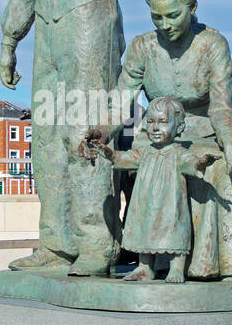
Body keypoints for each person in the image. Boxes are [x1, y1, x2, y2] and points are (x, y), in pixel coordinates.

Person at [0, 0, 169, 276]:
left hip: (91, 27)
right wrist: (10, 39)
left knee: (89, 133)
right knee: (47, 140)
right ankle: (56, 244)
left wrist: (176, 11)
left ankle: (98, 243)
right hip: (48, 37)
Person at [82, 0, 232, 279]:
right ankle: (138, 257)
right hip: (156, 137)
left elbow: (221, 107)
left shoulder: (213, 45)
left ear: (192, 9)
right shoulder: (142, 48)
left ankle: (211, 263)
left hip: (204, 134)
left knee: (218, 168)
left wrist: (231, 142)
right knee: (139, 165)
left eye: (173, 16)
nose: (164, 25)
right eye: (157, 17)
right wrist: (102, 132)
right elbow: (121, 104)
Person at [83, 95, 216, 282]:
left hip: (170, 204)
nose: (155, 128)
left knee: (174, 230)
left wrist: (201, 163)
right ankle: (144, 267)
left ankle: (176, 269)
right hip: (145, 204)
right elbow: (122, 158)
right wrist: (108, 153)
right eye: (151, 121)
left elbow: (191, 162)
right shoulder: (144, 152)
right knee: (143, 230)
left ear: (178, 127)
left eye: (162, 122)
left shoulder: (178, 153)